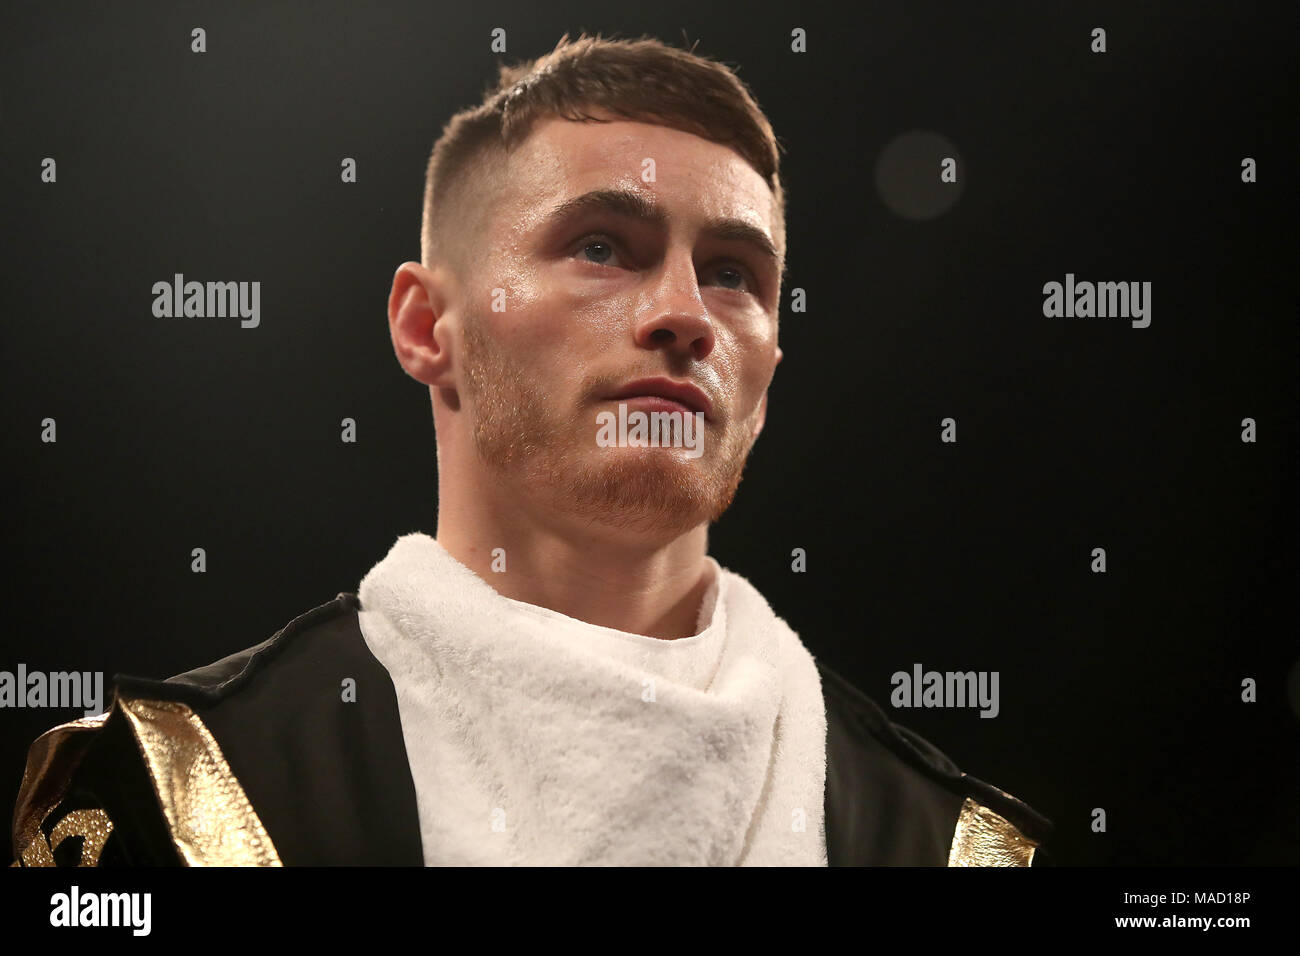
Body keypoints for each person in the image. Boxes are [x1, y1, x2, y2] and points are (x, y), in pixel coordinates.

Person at [9, 32, 1051, 867]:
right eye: (602, 246)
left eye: (734, 272)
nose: (686, 314)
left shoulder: (953, 842)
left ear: (767, 373)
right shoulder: (170, 793)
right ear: (427, 327)